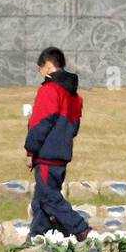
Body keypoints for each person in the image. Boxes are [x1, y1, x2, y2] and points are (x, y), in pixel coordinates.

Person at [26, 47, 89, 240]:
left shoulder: (50, 90)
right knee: (41, 199)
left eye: (41, 68)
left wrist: (30, 150)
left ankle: (81, 229)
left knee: (49, 198)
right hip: (62, 153)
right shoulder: (74, 96)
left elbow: (40, 123)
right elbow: (75, 126)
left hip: (47, 153)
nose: (40, 73)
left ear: (48, 65)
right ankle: (38, 235)